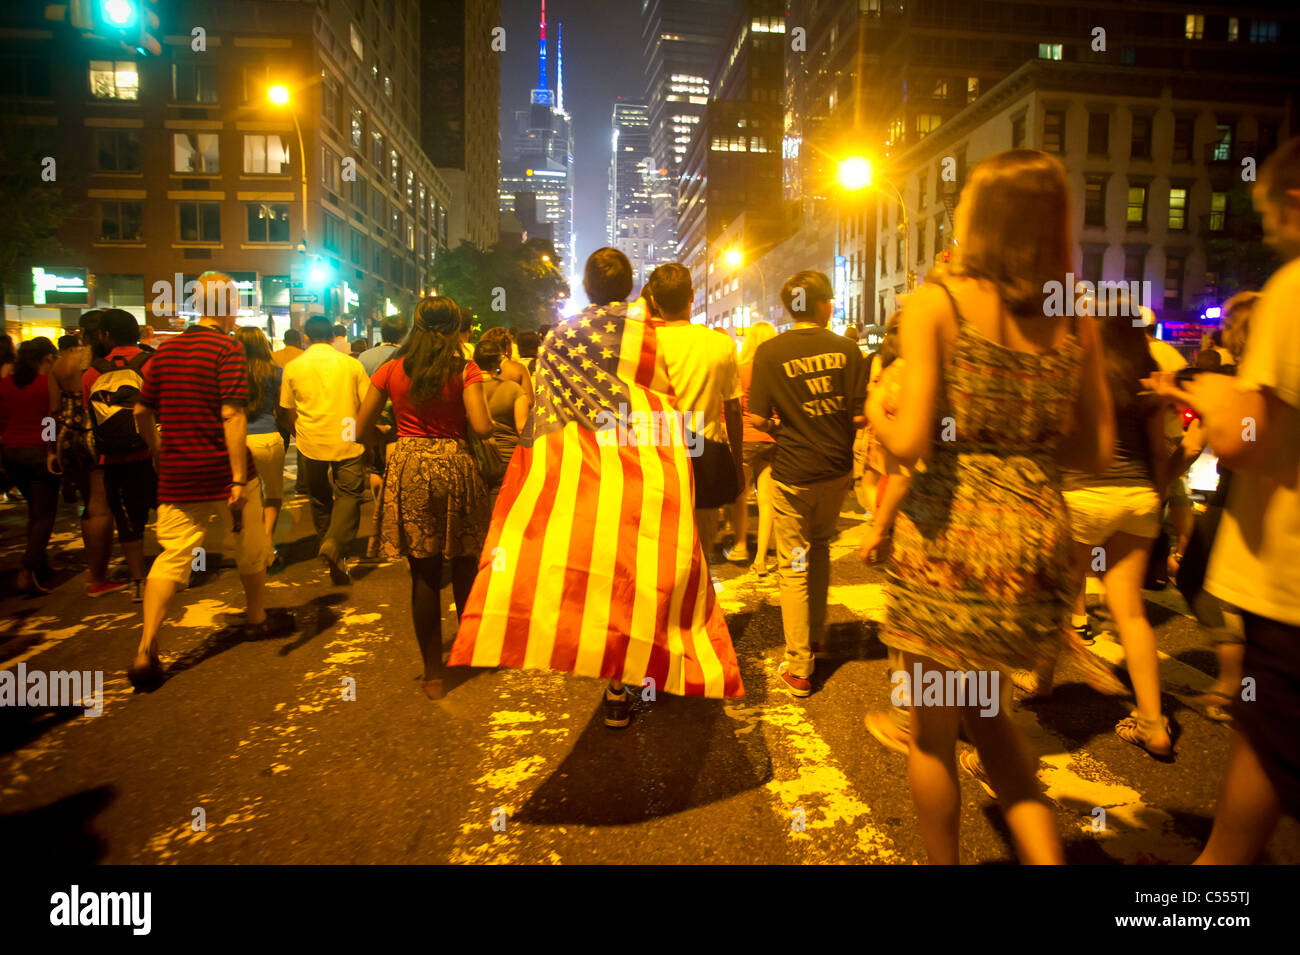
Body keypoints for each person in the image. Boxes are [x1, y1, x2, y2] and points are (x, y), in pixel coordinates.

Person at [866, 150, 1115, 864]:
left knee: (934, 735)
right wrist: (1025, 441)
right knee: (991, 713)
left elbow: (913, 439)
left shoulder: (936, 302)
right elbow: (1096, 448)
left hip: (949, 536)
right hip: (1035, 537)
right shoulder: (1075, 307)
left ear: (977, 215)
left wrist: (878, 415)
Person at [1149, 137, 1300, 864]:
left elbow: (1251, 438)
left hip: (1289, 584)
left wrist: (1205, 392)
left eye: (1269, 210)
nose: (1265, 228)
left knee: (1267, 758)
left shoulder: (1294, 290)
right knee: (1260, 768)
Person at [1014, 311, 1174, 759]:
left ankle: (1046, 676)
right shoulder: (1146, 388)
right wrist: (1154, 503)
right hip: (1138, 498)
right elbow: (1160, 454)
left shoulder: (1078, 380)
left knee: (1053, 596)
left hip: (1084, 497)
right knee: (1131, 611)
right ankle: (1154, 723)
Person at [130, 272, 291, 689]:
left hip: (178, 473)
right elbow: (232, 414)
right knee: (250, 547)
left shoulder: (164, 353)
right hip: (224, 472)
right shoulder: (227, 349)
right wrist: (238, 477)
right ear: (227, 305)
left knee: (172, 556)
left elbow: (140, 412)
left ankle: (147, 643)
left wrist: (157, 450)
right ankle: (255, 618)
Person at [356, 296, 493, 700]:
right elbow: (483, 427)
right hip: (455, 465)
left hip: (409, 466)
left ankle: (433, 674)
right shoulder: (465, 369)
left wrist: (387, 434)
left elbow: (360, 428)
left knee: (424, 572)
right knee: (465, 562)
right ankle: (469, 653)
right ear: (455, 328)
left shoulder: (390, 369)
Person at [749, 269, 867, 698]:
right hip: (836, 471)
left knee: (793, 565)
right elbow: (858, 416)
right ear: (821, 305)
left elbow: (760, 418)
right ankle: (815, 636)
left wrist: (786, 427)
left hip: (794, 473)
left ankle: (799, 666)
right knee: (819, 551)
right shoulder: (848, 350)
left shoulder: (769, 352)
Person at [644, 263, 743, 554]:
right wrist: (737, 463)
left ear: (654, 301)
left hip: (657, 457)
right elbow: (734, 410)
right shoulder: (719, 344)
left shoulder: (641, 345)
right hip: (706, 459)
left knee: (662, 551)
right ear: (692, 296)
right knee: (701, 552)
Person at [280, 315, 371, 585]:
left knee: (319, 498)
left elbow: (286, 409)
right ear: (333, 336)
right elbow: (367, 403)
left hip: (311, 440)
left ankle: (326, 544)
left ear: (305, 337)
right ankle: (335, 543)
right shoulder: (350, 365)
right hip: (347, 437)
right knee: (350, 495)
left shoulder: (294, 367)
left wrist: (298, 431)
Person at [83, 310, 159, 602]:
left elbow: (91, 420)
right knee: (169, 513)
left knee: (128, 521)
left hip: (113, 460)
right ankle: (175, 572)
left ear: (104, 335)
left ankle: (138, 581)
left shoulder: (92, 373)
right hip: (153, 454)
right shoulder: (152, 363)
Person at [49, 309, 121, 596]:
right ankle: (98, 579)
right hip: (96, 436)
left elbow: (52, 410)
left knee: (87, 504)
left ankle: (95, 573)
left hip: (67, 436)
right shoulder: (102, 363)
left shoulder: (61, 362)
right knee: (101, 505)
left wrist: (50, 446)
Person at [1, 337, 59, 594]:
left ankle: (40, 566)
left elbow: (2, 421)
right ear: (47, 358)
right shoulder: (46, 385)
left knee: (34, 512)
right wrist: (51, 449)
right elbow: (51, 421)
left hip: (12, 453)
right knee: (44, 515)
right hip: (38, 454)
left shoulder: (6, 385)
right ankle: (28, 569)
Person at [234, 327, 286, 571]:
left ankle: (246, 545)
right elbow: (281, 407)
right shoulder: (275, 373)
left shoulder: (229, 373)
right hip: (268, 436)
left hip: (238, 439)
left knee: (242, 495)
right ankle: (266, 545)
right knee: (273, 495)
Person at [728, 321, 777, 575]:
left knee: (740, 495)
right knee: (766, 500)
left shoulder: (740, 369)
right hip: (770, 438)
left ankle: (740, 546)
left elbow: (732, 405)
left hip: (745, 437)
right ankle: (761, 559)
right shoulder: (775, 370)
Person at [472, 337, 528, 497]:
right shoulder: (514, 389)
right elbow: (522, 427)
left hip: (476, 457)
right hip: (507, 458)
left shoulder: (467, 388)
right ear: (498, 363)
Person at [478, 326, 533, 406]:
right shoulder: (518, 369)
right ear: (508, 345)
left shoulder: (477, 368)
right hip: (513, 416)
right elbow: (529, 401)